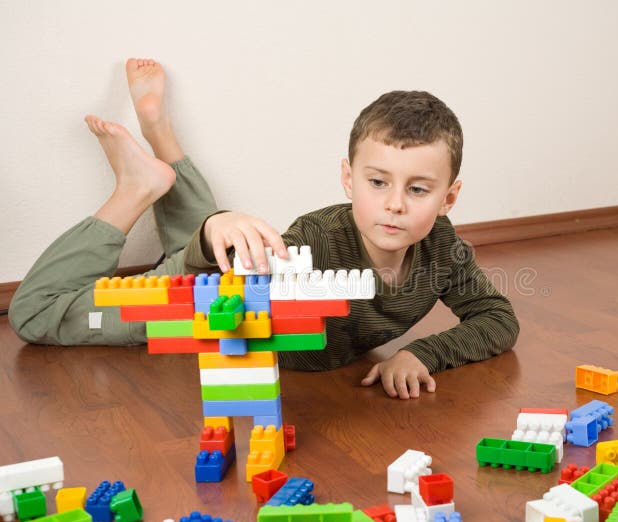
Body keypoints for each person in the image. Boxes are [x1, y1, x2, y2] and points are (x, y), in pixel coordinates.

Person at [10, 58, 519, 399]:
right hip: (206, 306)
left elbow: (498, 318)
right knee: (36, 315)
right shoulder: (314, 239)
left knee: (215, 236)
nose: (393, 206)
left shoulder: (443, 250)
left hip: (235, 261)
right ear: (347, 177)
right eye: (378, 181)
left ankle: (163, 143)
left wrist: (421, 352)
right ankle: (134, 190)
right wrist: (214, 231)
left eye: (418, 189)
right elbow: (224, 274)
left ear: (449, 198)